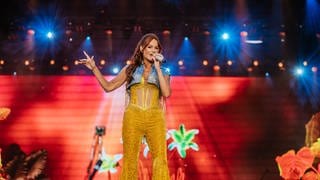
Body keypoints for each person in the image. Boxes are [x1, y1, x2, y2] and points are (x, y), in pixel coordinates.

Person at [79, 33, 171, 180]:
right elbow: (109, 87)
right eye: (149, 47)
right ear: (142, 48)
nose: (153, 50)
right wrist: (94, 68)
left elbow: (166, 93)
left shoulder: (164, 71)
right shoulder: (130, 69)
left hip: (156, 118)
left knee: (160, 158)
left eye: (156, 48)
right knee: (130, 160)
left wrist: (158, 68)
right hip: (133, 117)